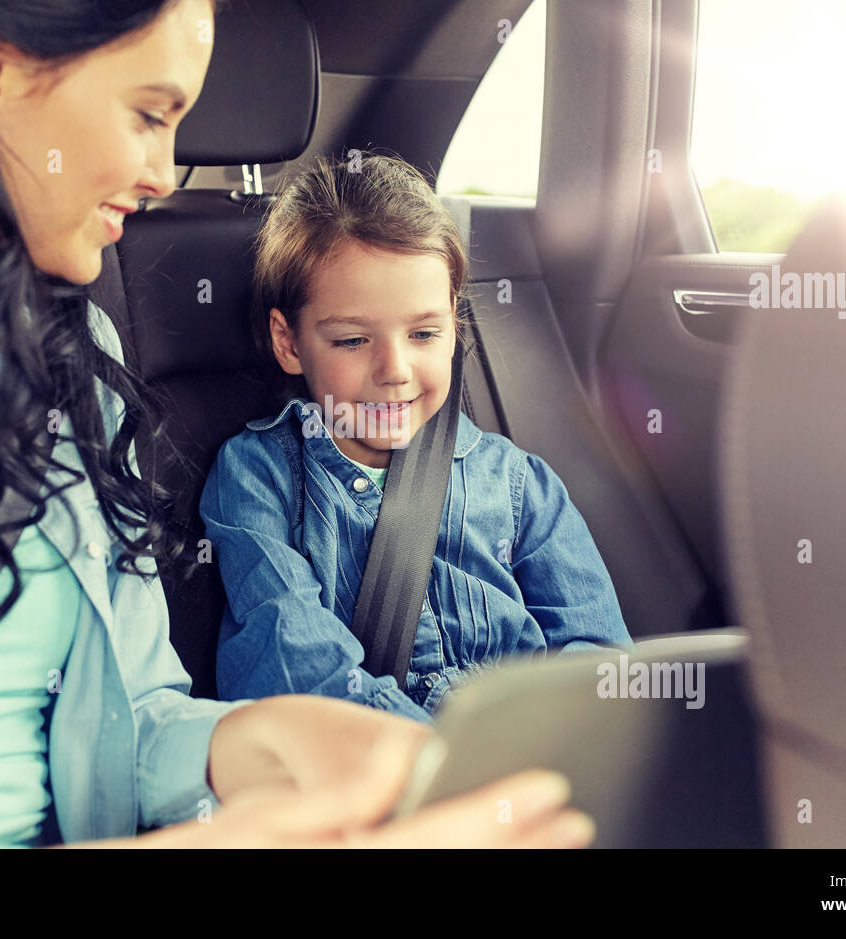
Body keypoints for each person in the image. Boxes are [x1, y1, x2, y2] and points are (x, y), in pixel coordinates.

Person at [0, 0, 593, 848]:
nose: (165, 172)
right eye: (147, 113)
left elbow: (132, 713)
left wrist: (266, 743)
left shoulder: (67, 352)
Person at [201, 153, 631, 723]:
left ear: (454, 323)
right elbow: (290, 657)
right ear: (289, 342)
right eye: (353, 341)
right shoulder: (260, 477)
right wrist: (432, 760)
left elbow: (597, 654)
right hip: (367, 765)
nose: (395, 369)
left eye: (424, 333)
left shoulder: (520, 484)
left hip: (528, 755)